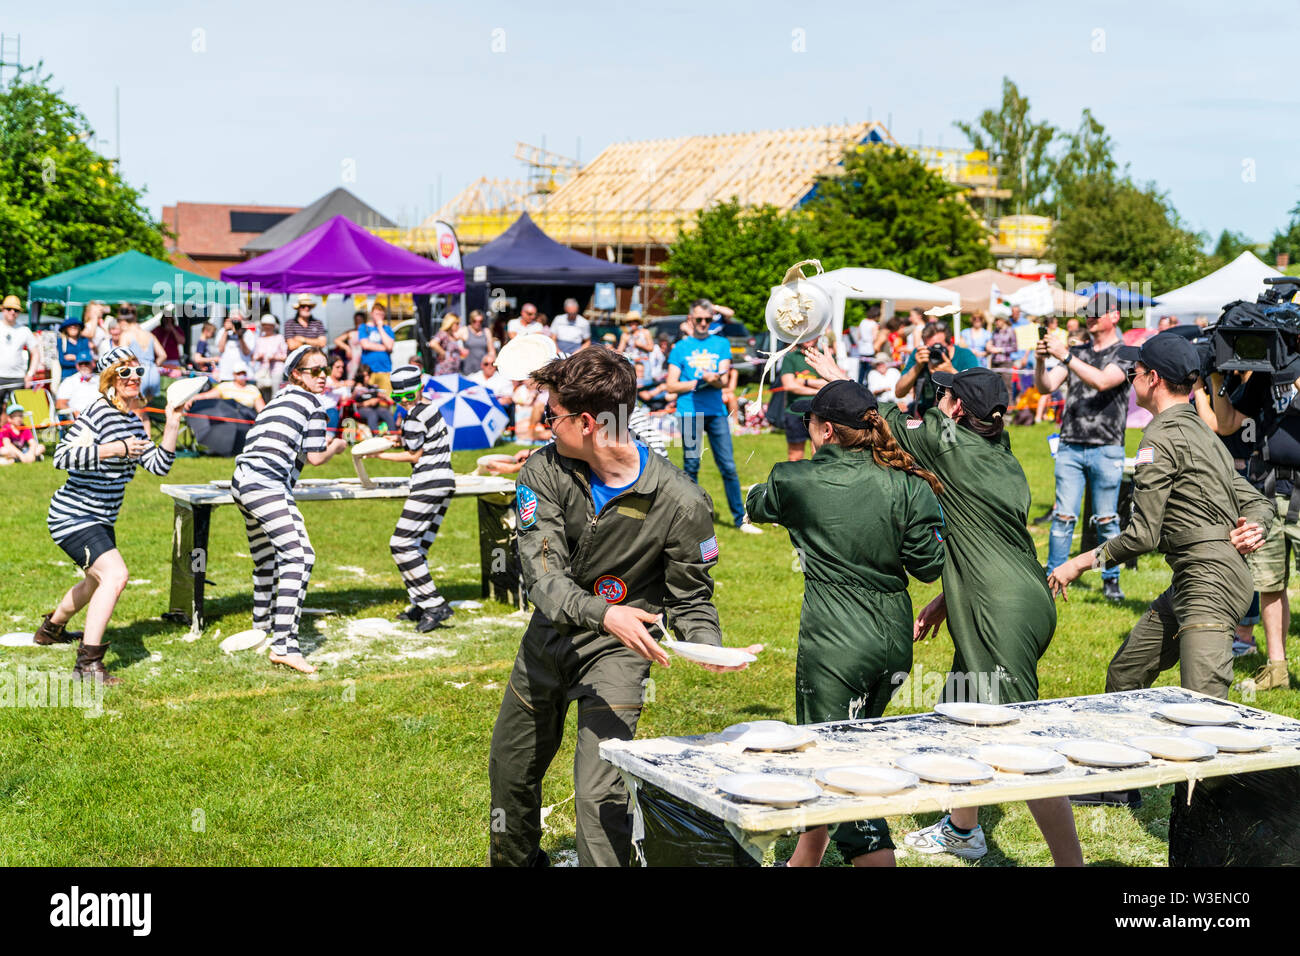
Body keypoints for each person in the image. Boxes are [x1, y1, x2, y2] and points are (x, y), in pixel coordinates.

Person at [804, 346, 1084, 864]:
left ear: (954, 410)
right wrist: (947, 598)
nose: (939, 401)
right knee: (962, 711)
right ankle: (963, 830)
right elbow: (987, 540)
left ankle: (1072, 863)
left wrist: (839, 377)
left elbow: (877, 421)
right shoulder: (1000, 450)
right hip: (1015, 593)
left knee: (1023, 747)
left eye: (945, 395)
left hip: (998, 609)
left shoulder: (945, 441)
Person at [488, 347, 758, 867]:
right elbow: (543, 579)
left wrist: (708, 647)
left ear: (587, 422)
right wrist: (605, 611)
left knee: (599, 794)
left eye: (552, 415)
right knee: (511, 774)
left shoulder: (681, 500)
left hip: (617, 654)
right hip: (548, 642)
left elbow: (692, 596)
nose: (544, 424)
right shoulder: (544, 469)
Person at [1048, 334, 1272, 807]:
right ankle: (1117, 784)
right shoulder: (1196, 426)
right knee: (1126, 671)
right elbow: (1253, 495)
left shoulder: (1162, 436)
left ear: (1151, 379)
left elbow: (1143, 535)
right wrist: (1259, 521)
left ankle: (1210, 820)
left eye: (1134, 372)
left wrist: (1080, 562)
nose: (1130, 379)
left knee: (1203, 705)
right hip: (1194, 577)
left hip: (1209, 581)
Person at [747, 380, 945, 867]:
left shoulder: (794, 480)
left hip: (835, 642)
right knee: (846, 751)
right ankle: (805, 858)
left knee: (840, 770)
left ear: (826, 430)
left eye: (807, 421)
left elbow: (756, 505)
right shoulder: (909, 483)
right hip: (895, 638)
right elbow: (927, 565)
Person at [37, 346, 183, 683]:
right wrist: (113, 449)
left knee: (95, 581)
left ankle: (51, 629)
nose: (133, 378)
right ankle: (88, 665)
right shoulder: (97, 413)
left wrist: (172, 424)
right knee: (115, 576)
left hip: (100, 518)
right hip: (72, 516)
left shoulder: (132, 421)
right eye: (125, 373)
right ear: (110, 380)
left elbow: (159, 466)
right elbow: (61, 457)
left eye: (137, 372)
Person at [230, 346, 348, 675]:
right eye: (315, 371)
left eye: (326, 369)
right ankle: (284, 645)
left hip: (240, 482)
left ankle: (262, 624)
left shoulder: (276, 400)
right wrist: (338, 445)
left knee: (266, 556)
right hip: (265, 484)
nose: (323, 375)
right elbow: (316, 456)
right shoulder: (313, 403)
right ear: (296, 373)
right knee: (300, 556)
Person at [1203, 367, 1300, 690]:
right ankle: (1277, 668)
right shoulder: (1265, 374)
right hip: (1268, 489)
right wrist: (1215, 379)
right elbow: (1226, 423)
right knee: (1270, 583)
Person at [1037, 292, 1135, 604]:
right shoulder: (1077, 351)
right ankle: (1053, 577)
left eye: (1097, 313)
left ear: (1114, 316)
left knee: (1107, 519)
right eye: (1088, 313)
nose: (1091, 317)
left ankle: (1111, 580)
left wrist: (1065, 356)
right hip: (1070, 444)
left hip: (1107, 446)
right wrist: (1041, 359)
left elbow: (1103, 381)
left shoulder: (1127, 353)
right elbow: (1045, 386)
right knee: (1063, 517)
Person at [357, 364, 457, 632]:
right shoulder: (430, 408)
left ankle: (434, 604)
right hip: (444, 481)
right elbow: (418, 443)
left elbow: (414, 456)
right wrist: (389, 442)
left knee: (401, 544)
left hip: (428, 482)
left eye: (404, 397)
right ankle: (421, 603)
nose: (403, 403)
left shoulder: (413, 416)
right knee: (418, 547)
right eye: (399, 399)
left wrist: (375, 454)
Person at [666, 301, 757, 533]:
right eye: (699, 319)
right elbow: (671, 385)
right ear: (690, 319)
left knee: (728, 466)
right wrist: (698, 381)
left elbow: (724, 379)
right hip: (690, 413)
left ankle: (740, 520)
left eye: (708, 319)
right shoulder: (680, 348)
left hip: (716, 412)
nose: (704, 324)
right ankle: (689, 518)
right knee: (692, 464)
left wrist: (714, 379)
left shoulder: (721, 343)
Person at [893, 321, 979, 416]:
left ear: (950, 343)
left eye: (938, 347)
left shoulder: (965, 355)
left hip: (956, 417)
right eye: (930, 348)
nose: (934, 352)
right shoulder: (920, 355)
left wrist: (951, 372)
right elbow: (899, 392)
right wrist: (917, 367)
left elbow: (976, 394)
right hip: (924, 415)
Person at [779, 346, 828, 461]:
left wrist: (805, 381)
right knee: (795, 456)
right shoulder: (791, 357)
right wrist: (818, 389)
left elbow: (831, 382)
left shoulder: (824, 356)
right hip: (795, 413)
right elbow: (789, 385)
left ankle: (816, 479)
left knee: (819, 455)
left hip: (820, 412)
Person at [115, 303, 165, 400]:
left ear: (123, 322)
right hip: (153, 372)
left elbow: (121, 358)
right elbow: (163, 355)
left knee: (136, 408)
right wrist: (154, 365)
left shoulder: (126, 335)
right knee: (148, 407)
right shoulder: (149, 334)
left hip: (137, 373)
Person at [0, 294, 39, 405]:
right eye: (9, 309)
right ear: (3, 310)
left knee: (18, 413)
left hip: (17, 377)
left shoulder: (24, 330)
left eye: (16, 310)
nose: (12, 312)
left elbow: (36, 354)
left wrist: (30, 374)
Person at [191, 361, 264, 412]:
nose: (241, 376)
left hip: (246, 421)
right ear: (234, 374)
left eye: (243, 373)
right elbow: (206, 396)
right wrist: (192, 398)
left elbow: (261, 410)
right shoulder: (225, 387)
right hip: (227, 419)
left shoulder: (253, 389)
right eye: (239, 373)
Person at [352, 364, 396, 435]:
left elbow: (391, 401)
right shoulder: (356, 389)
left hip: (376, 408)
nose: (367, 378)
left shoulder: (373, 388)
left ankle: (394, 434)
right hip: (362, 410)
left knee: (385, 412)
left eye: (368, 375)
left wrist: (384, 397)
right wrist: (368, 403)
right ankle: (376, 436)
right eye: (365, 376)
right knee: (372, 413)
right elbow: (352, 404)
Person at [250, 315, 288, 395]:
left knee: (275, 394)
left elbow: (285, 356)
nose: (267, 327)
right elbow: (254, 356)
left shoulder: (279, 337)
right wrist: (259, 357)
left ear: (274, 326)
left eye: (269, 325)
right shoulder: (259, 339)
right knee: (261, 394)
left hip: (276, 370)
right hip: (262, 371)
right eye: (265, 325)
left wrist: (274, 357)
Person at [55, 355, 101, 420]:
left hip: (101, 416)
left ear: (93, 364)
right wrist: (73, 412)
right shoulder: (69, 382)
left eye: (86, 363)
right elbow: (60, 404)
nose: (84, 366)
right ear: (77, 365)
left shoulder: (100, 380)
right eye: (80, 364)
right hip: (79, 420)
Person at [216, 310, 254, 381]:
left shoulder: (248, 333)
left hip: (243, 374)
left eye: (238, 320)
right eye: (234, 320)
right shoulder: (222, 331)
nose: (236, 323)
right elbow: (220, 349)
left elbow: (247, 352)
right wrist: (226, 331)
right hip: (226, 374)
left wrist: (240, 336)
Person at [459, 309, 495, 376]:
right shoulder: (465, 330)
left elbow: (491, 351)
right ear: (471, 320)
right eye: (475, 321)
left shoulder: (486, 331)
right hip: (468, 370)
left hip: (483, 371)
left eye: (480, 321)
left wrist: (491, 365)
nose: (478, 323)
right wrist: (460, 349)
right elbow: (452, 339)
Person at [332, 310, 367, 378]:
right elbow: (337, 340)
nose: (358, 322)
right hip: (353, 361)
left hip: (365, 360)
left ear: (364, 320)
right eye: (356, 320)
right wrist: (347, 348)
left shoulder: (367, 332)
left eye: (360, 320)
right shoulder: (351, 332)